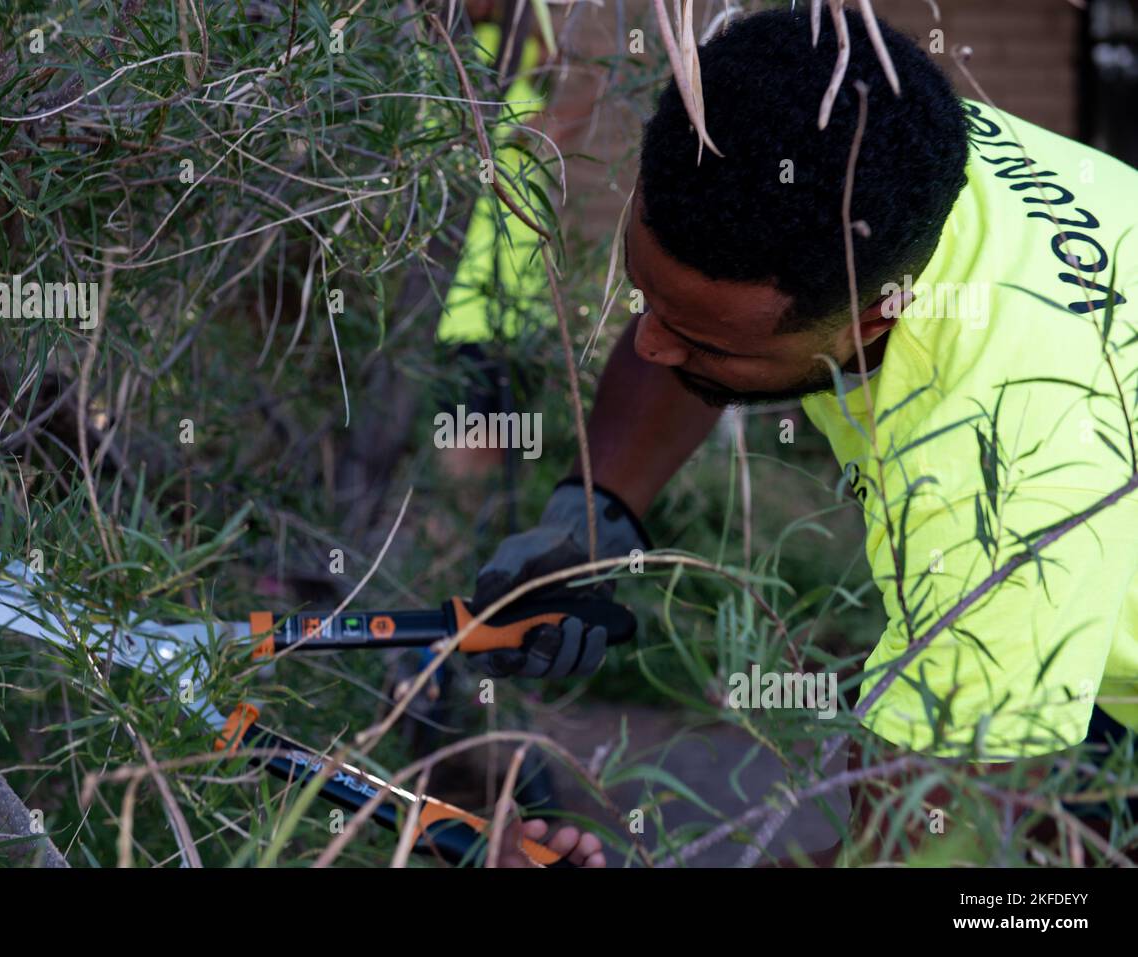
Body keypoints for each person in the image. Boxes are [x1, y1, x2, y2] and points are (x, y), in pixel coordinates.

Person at [477, 7, 1138, 862]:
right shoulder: (863, 129)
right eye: (648, 290)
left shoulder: (993, 482)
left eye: (707, 340)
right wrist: (592, 515)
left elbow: (923, 851)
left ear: (869, 323)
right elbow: (685, 328)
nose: (648, 344)